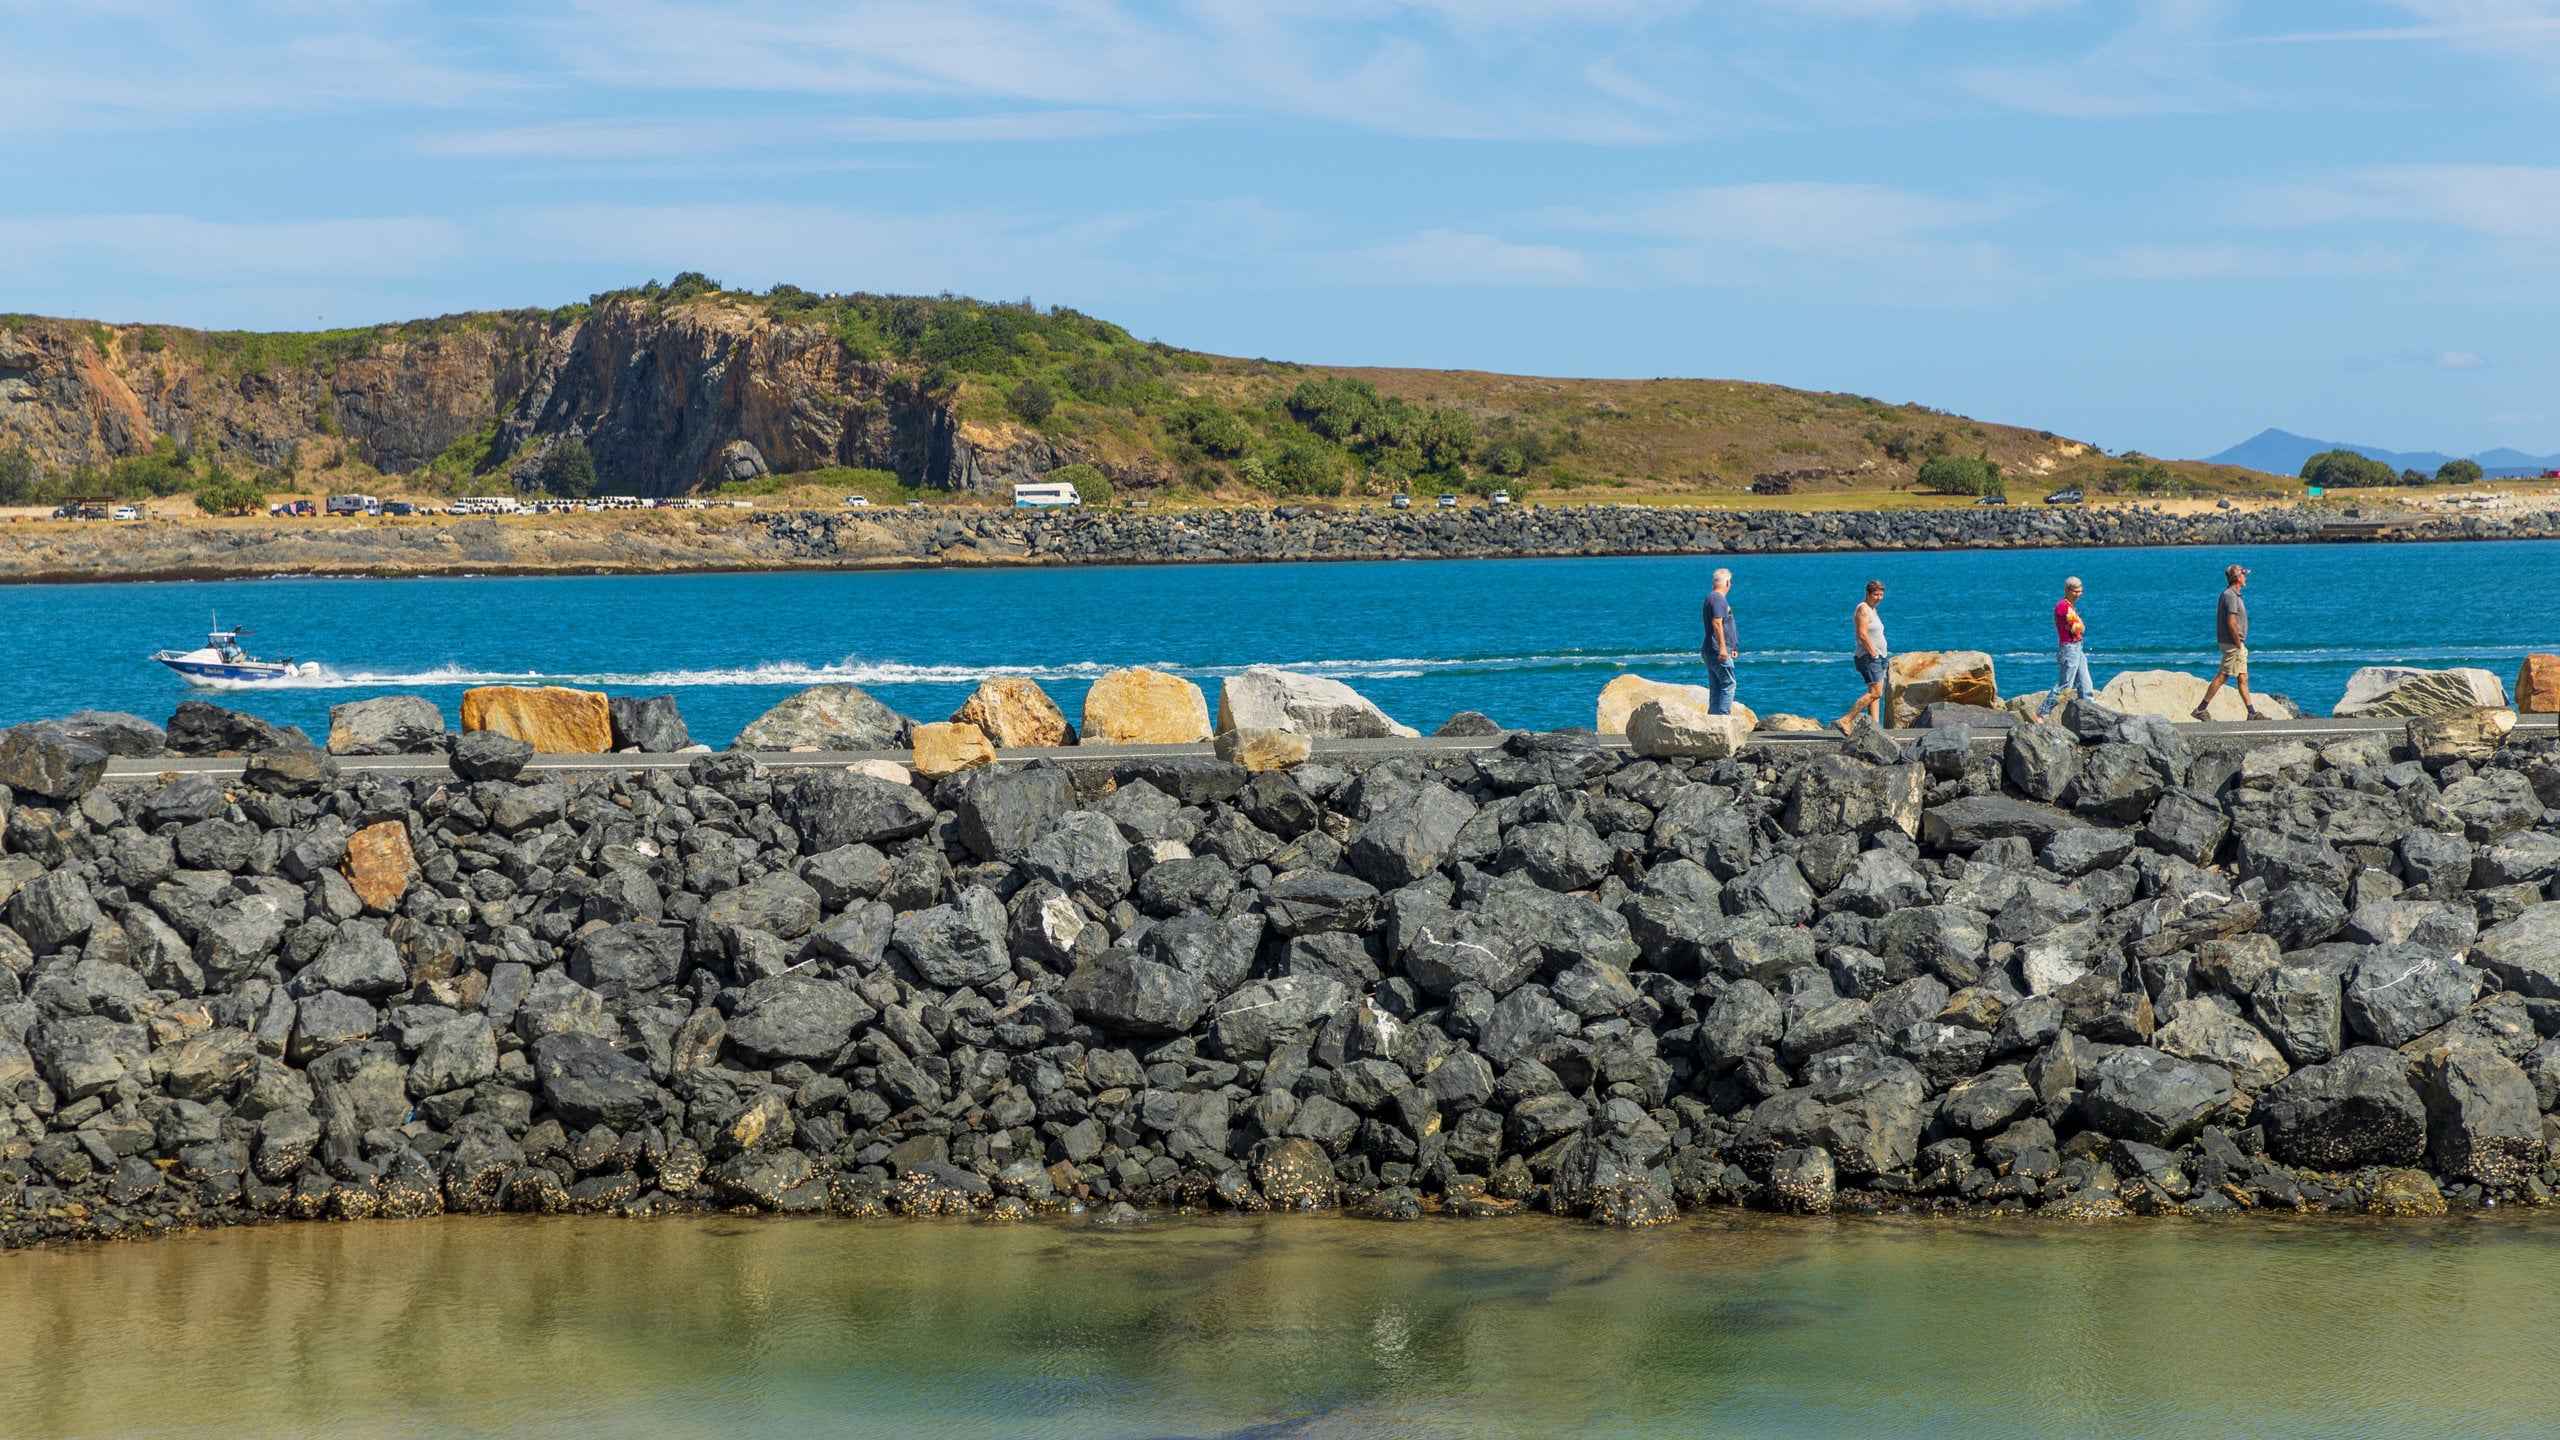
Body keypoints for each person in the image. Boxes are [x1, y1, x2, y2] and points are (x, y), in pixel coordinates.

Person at [2195, 563, 2256, 721]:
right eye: (2243, 575)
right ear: (2237, 578)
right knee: (2223, 675)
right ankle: (2201, 708)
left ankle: (2252, 712)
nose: (2245, 578)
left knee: (2242, 676)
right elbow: (2232, 622)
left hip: (2235, 642)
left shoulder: (2233, 595)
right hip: (2232, 643)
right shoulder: (2230, 595)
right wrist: (2237, 642)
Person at [2037, 577, 2095, 722]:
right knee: (2065, 686)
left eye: (2080, 591)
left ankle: (2089, 714)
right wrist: (2079, 625)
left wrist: (2079, 626)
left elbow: (2078, 628)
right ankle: (2042, 713)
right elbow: (2078, 629)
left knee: (2085, 682)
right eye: (2075, 591)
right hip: (2069, 648)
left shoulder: (2069, 606)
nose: (2078, 594)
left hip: (2077, 648)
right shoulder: (2064, 607)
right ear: (2067, 590)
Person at [1834, 580, 1889, 733]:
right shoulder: (1863, 609)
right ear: (1868, 593)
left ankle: (1876, 731)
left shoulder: (1873, 609)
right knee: (1875, 693)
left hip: (1880, 656)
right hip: (1868, 656)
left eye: (1881, 595)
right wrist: (1873, 653)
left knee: (1876, 696)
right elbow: (1862, 635)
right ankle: (1845, 720)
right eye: (1876, 594)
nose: (1879, 598)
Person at [1701, 567, 1738, 715]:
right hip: (1718, 650)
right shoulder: (1718, 599)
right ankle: (1722, 719)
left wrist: (1733, 646)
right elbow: (1717, 623)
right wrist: (1723, 647)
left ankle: (1712, 722)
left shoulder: (1711, 598)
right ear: (1727, 583)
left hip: (1713, 649)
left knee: (1716, 688)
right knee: (1729, 683)